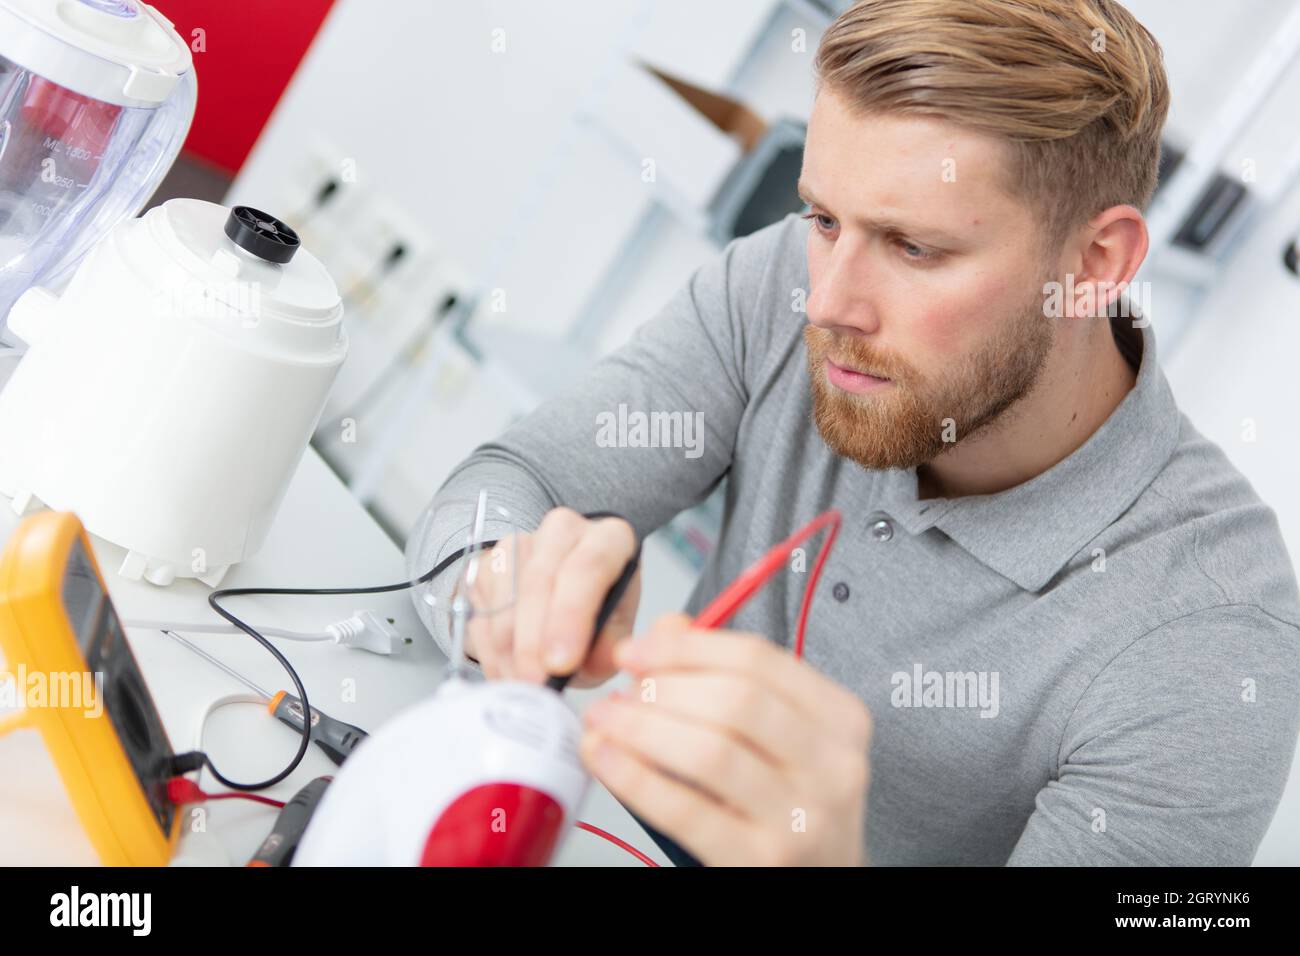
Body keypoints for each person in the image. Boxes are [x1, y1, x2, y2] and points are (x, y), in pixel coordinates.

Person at [406, 0, 1300, 865]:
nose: (829, 304)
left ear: (1095, 264)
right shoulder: (789, 287)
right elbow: (508, 479)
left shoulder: (1212, 639)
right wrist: (499, 587)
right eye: (825, 219)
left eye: (914, 248)